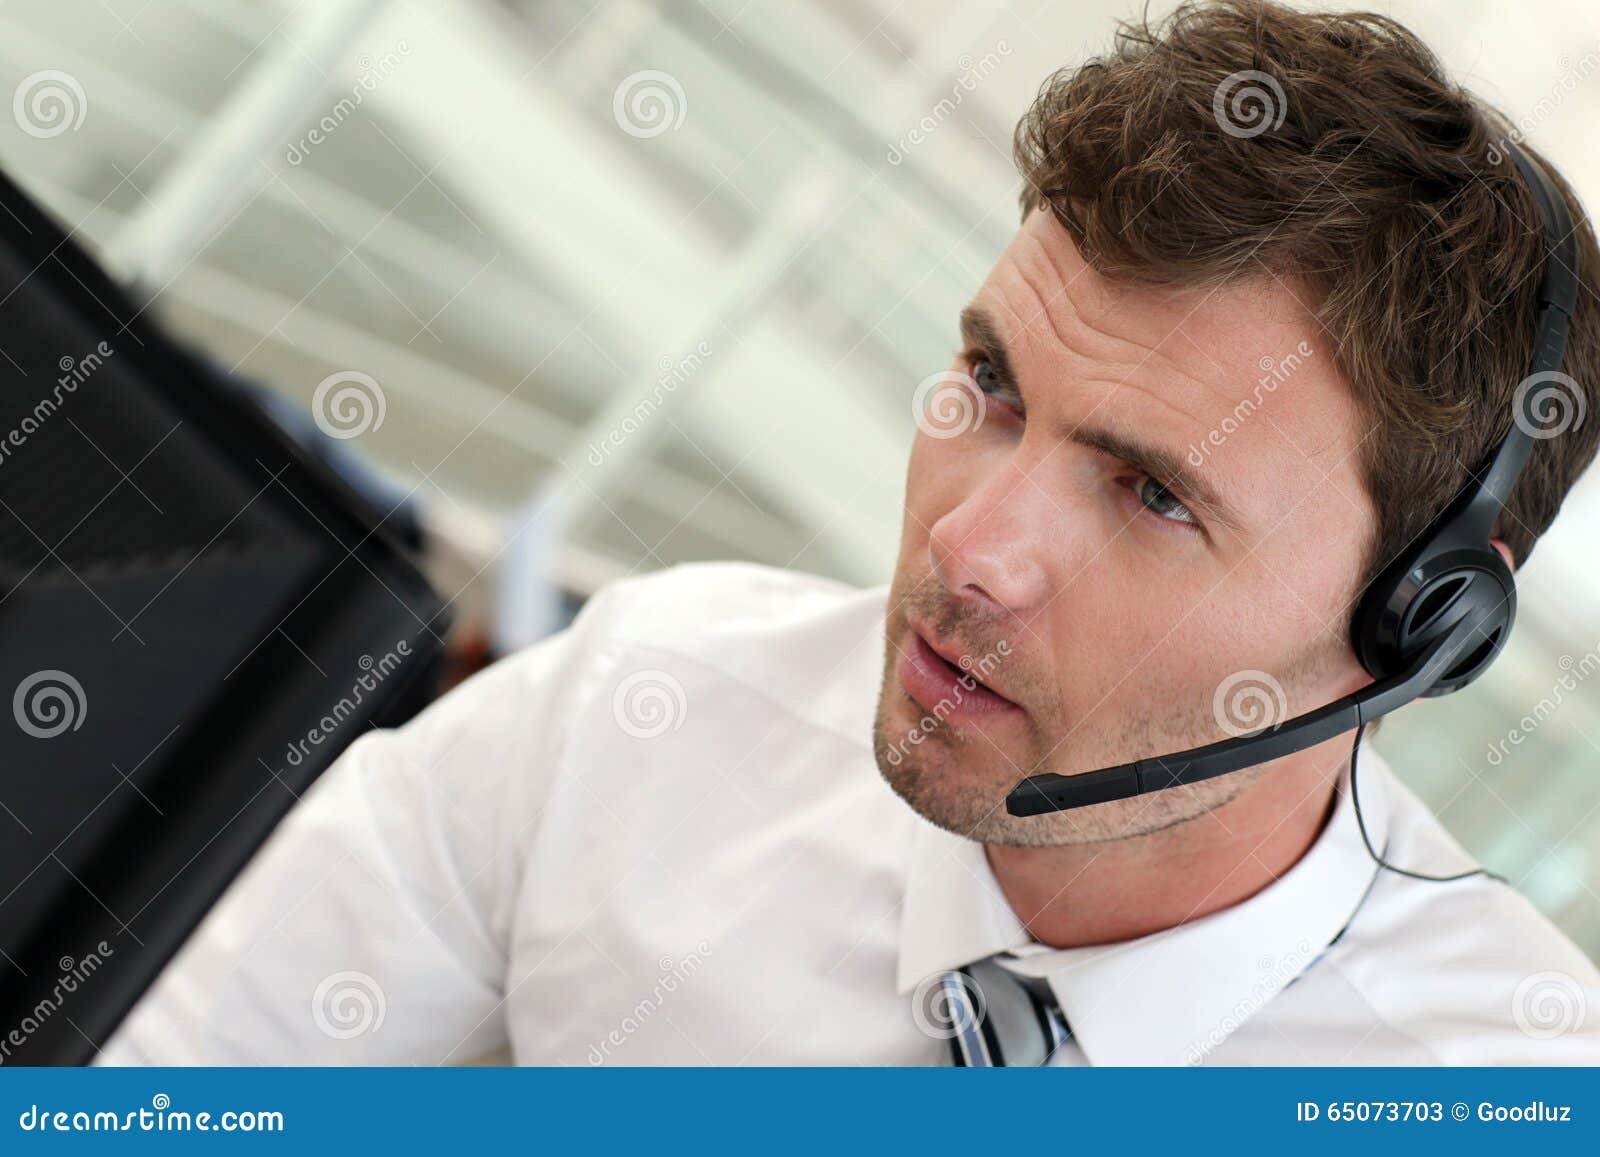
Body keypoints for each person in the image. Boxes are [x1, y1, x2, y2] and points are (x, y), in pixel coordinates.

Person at [99, 0, 1600, 1065]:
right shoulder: (650, 712)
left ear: (1427, 624)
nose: (973, 550)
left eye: (1151, 492)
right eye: (993, 385)